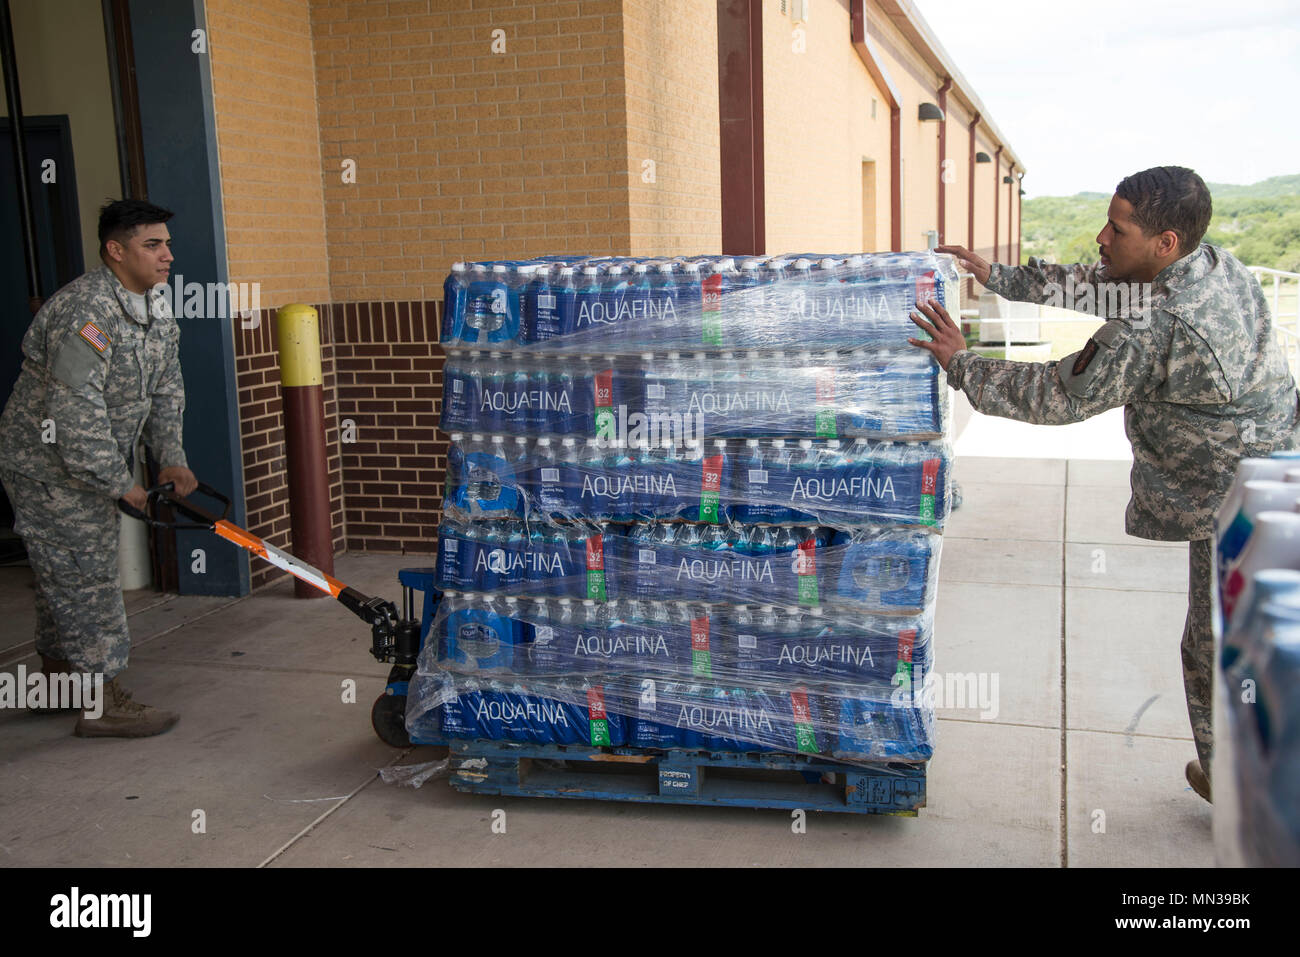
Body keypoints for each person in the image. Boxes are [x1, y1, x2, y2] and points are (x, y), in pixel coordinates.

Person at [908, 166, 1299, 804]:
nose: (1102, 236)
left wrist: (961, 362)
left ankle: (1244, 790)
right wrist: (997, 275)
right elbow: (1101, 286)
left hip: (1234, 501)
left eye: (1117, 228)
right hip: (1277, 466)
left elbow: (1056, 397)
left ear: (1164, 241)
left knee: (1218, 647)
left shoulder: (1155, 326)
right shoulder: (1211, 265)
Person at [0, 198, 198, 737]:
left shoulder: (155, 306)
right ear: (116, 251)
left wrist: (171, 456)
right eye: (151, 245)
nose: (166, 256)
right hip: (48, 467)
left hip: (88, 465)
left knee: (61, 575)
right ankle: (101, 705)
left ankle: (58, 683)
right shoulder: (85, 310)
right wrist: (119, 482)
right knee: (86, 578)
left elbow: (166, 388)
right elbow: (72, 407)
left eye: (166, 243)